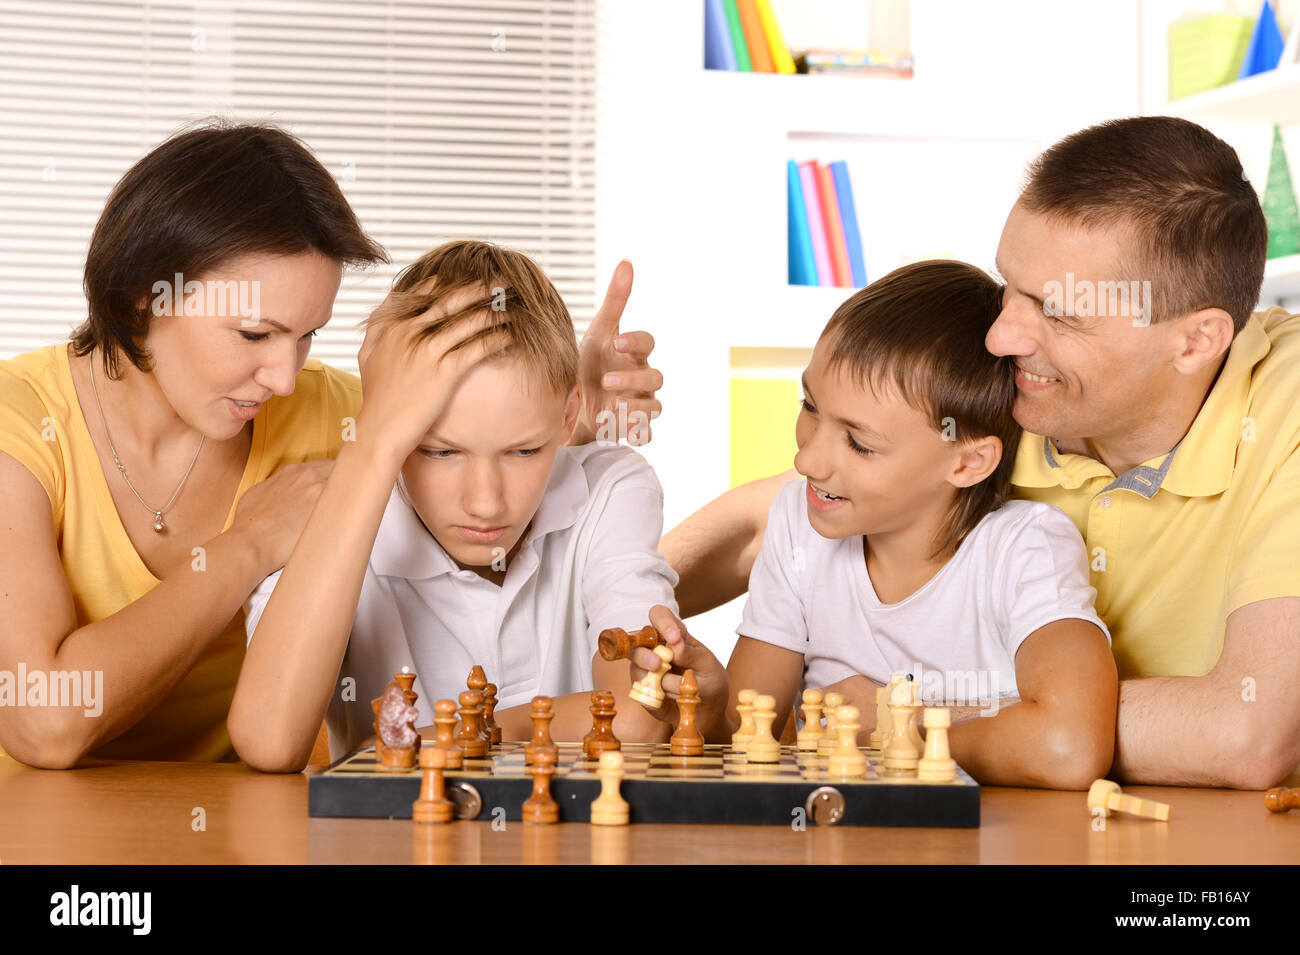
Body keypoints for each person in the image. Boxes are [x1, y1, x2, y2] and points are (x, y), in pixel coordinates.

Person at [650, 116, 1300, 790]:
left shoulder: (1285, 408)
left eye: (1057, 310)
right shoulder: (1020, 389)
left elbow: (1249, 733)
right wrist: (621, 598)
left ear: (1196, 341)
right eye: (1008, 286)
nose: (1000, 335)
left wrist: (902, 714)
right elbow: (783, 516)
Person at [0, 122, 663, 769]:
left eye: (308, 335)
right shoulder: (21, 422)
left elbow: (457, 447)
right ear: (149, 294)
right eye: (256, 335)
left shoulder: (338, 417)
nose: (284, 378)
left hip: (232, 823)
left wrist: (564, 406)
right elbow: (44, 721)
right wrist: (249, 545)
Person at [632, 260, 1116, 788]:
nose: (808, 462)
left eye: (860, 443)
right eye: (810, 407)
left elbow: (1070, 746)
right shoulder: (798, 526)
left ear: (968, 462)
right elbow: (753, 736)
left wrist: (892, 727)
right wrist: (707, 710)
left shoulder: (1025, 550)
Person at [229, 241, 678, 771]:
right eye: (441, 451)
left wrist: (450, 735)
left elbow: (640, 716)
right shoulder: (327, 515)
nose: (485, 503)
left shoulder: (610, 487)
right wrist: (374, 447)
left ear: (568, 415)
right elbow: (269, 739)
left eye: (524, 450)